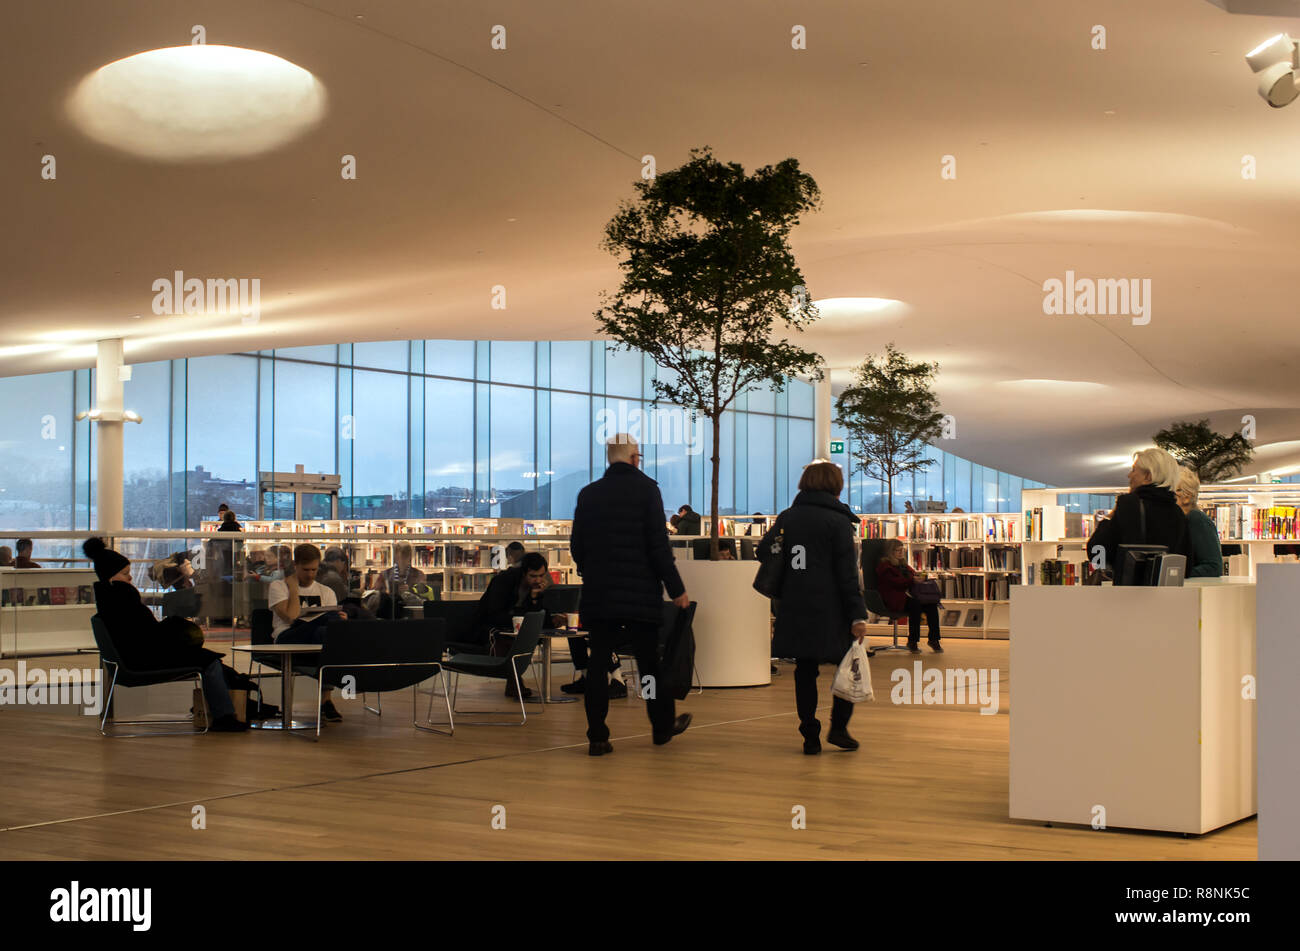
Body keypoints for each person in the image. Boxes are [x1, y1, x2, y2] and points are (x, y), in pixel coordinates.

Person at [572, 434, 692, 756]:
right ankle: (660, 727)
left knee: (598, 664)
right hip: (640, 595)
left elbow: (577, 547)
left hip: (600, 595)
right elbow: (658, 547)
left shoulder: (588, 495)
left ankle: (597, 735)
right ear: (634, 458)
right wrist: (676, 588)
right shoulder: (647, 491)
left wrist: (592, 571)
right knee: (648, 663)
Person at [83, 537, 248, 732]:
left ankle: (225, 713)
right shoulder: (124, 600)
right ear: (111, 577)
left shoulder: (109, 602)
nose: (130, 578)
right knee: (209, 661)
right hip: (143, 661)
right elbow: (151, 636)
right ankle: (225, 715)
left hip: (133, 659)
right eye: (125, 573)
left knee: (208, 660)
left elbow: (144, 634)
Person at [762, 461, 870, 754]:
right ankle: (838, 727)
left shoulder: (788, 517)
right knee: (848, 665)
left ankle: (809, 732)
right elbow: (846, 574)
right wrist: (857, 614)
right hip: (831, 608)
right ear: (836, 486)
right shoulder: (837, 523)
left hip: (795, 603)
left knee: (805, 669)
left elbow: (764, 550)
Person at [268, 543, 348, 722]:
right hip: (287, 637)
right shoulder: (279, 587)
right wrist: (294, 588)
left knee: (326, 631)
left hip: (317, 639)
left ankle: (326, 701)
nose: (311, 574)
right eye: (305, 570)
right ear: (295, 565)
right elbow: (290, 617)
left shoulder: (325, 591)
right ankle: (327, 701)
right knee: (329, 621)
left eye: (314, 569)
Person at [1087, 448, 1190, 575]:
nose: (1129, 475)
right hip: (1166, 590)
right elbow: (1187, 561)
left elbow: (1097, 553)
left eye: (1134, 470)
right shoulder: (1177, 513)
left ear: (1148, 476)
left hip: (1131, 590)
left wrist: (1108, 518)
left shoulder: (1129, 504)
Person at [472, 551, 559, 699]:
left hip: (514, 627)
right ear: (524, 573)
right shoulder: (504, 581)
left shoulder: (538, 587)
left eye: (541, 575)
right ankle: (514, 682)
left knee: (527, 636)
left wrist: (535, 598)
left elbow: (536, 617)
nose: (538, 580)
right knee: (513, 640)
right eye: (533, 576)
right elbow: (494, 614)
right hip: (490, 627)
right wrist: (522, 612)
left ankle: (515, 682)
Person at [875, 539, 942, 653]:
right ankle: (912, 641)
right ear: (890, 552)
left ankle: (934, 639)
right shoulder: (885, 567)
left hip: (907, 596)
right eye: (898, 550)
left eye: (902, 550)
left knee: (931, 604)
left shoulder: (903, 564)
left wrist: (920, 577)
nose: (901, 553)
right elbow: (895, 582)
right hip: (894, 598)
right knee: (915, 605)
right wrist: (912, 580)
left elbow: (913, 574)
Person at [1175, 467, 1224, 578]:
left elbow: (1213, 567)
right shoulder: (1184, 519)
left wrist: (1177, 574)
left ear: (1186, 496)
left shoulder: (1197, 519)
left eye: (1172, 492)